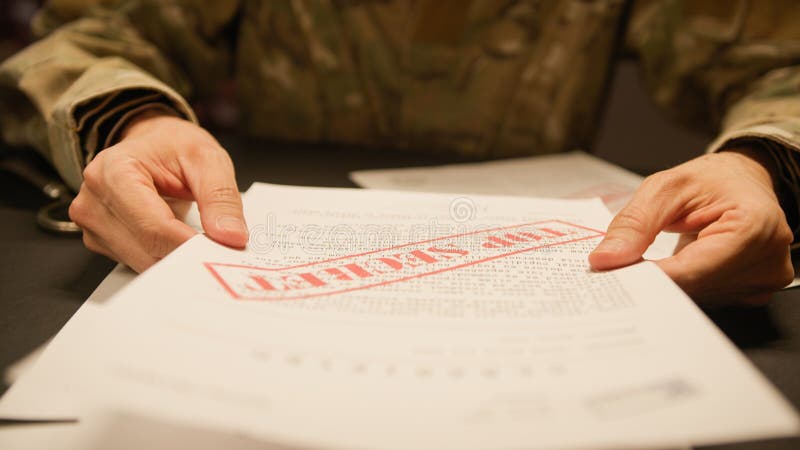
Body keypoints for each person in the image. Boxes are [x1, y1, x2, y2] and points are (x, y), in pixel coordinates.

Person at [1, 0, 798, 306]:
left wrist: (763, 162)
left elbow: (775, 61)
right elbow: (99, 30)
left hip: (551, 252)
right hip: (267, 220)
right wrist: (133, 121)